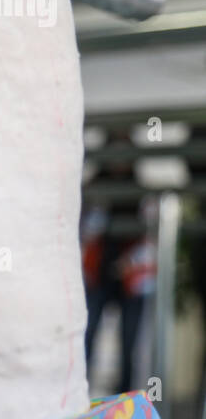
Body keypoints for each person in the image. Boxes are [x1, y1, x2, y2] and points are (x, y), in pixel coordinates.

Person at [81, 130, 154, 393]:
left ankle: (125, 406)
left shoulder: (142, 191)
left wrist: (130, 261)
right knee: (86, 341)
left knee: (129, 346)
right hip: (97, 274)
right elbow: (84, 232)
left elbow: (152, 239)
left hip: (131, 280)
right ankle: (84, 406)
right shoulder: (93, 189)